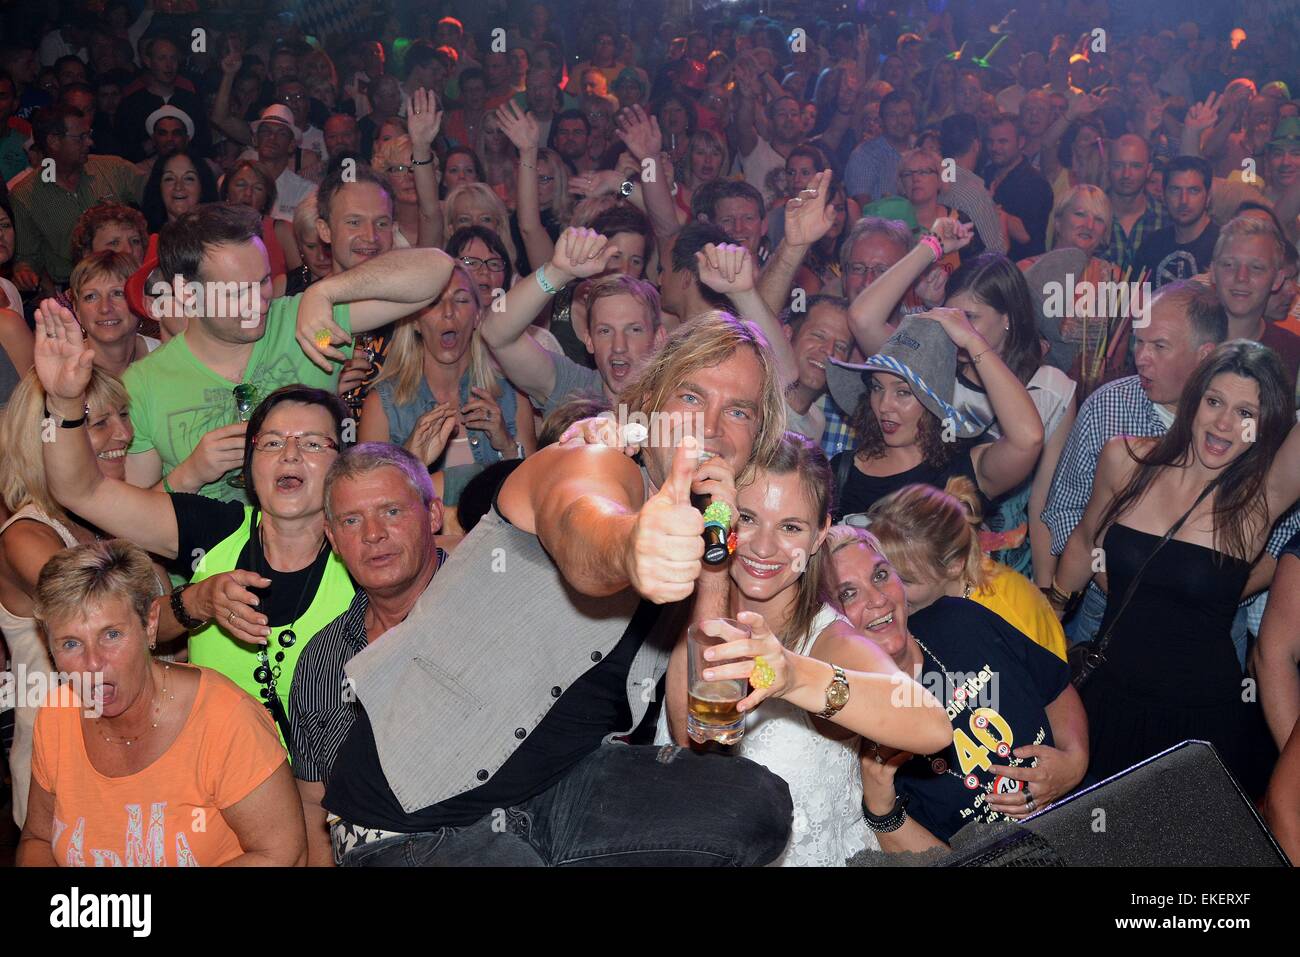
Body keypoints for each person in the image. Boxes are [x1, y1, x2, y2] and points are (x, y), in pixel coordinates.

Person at [320, 312, 799, 866]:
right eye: (692, 397)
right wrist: (631, 547)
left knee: (749, 804)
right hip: (407, 822)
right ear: (650, 403)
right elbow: (582, 527)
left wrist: (713, 561)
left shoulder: (695, 538)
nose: (711, 426)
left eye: (737, 411)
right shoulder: (590, 461)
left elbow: (702, 735)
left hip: (546, 801)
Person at [34, 309, 360, 740]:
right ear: (250, 463)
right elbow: (82, 491)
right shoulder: (213, 528)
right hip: (215, 789)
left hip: (334, 793)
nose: (291, 455)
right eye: (273, 442)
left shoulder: (367, 550)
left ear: (342, 464)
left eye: (314, 443)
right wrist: (62, 405)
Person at [653, 431, 949, 866]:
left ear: (819, 536)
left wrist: (793, 675)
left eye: (791, 527)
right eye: (748, 518)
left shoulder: (833, 639)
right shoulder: (681, 604)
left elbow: (931, 727)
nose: (765, 547)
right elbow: (692, 747)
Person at [1049, 340, 1300, 798]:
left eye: (1247, 413)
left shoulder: (1259, 499)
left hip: (1198, 718)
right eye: (1215, 401)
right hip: (1107, 696)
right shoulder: (1125, 459)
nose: (1225, 422)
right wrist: (1051, 611)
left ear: (1265, 427)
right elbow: (1085, 541)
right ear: (1194, 400)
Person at [122, 203, 451, 501]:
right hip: (209, 564)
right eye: (238, 291)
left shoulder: (303, 320)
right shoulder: (143, 384)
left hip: (320, 554)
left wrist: (324, 292)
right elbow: (132, 523)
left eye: (263, 281)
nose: (259, 302)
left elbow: (436, 269)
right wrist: (188, 475)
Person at [17, 539, 306, 867]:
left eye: (111, 634)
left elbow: (284, 854)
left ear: (150, 623)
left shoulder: (224, 719)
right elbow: (38, 838)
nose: (93, 663)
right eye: (71, 643)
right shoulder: (59, 715)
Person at [828, 524, 1085, 848]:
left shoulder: (959, 619)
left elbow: (1056, 687)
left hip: (1082, 814)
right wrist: (883, 812)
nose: (877, 599)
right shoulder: (854, 724)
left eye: (880, 575)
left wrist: (1073, 761)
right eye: (848, 593)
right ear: (828, 624)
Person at [289, 443, 449, 865]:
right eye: (351, 520)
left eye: (392, 511)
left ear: (433, 515)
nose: (373, 534)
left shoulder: (488, 611)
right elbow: (313, 806)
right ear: (333, 539)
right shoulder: (321, 659)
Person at [0, 367, 143, 826]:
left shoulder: (111, 517)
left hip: (133, 749)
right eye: (99, 422)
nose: (125, 433)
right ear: (47, 439)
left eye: (123, 415)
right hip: (63, 769)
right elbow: (93, 613)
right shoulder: (25, 535)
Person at [827, 226, 1045, 523]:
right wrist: (932, 245)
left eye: (903, 392)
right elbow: (862, 317)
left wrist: (971, 341)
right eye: (877, 388)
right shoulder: (841, 469)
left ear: (936, 400)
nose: (884, 405)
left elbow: (1029, 439)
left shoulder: (961, 472)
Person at [356, 262, 532, 481]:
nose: (449, 312)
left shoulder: (512, 398)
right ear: (414, 322)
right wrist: (409, 459)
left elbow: (533, 497)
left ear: (477, 316)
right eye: (434, 302)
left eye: (461, 300)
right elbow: (369, 498)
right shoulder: (382, 405)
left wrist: (507, 447)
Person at [865, 479, 1067, 660]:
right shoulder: (943, 596)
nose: (883, 593)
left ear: (953, 566)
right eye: (880, 574)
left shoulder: (1003, 620)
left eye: (905, 580)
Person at [9, 105, 144, 294]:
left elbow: (155, 196)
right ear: (54, 142)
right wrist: (24, 272)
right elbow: (27, 256)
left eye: (88, 134)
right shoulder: (25, 195)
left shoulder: (114, 169)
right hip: (72, 289)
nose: (89, 142)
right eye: (80, 137)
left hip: (129, 279)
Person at [1209, 215, 1300, 394]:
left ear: (1277, 280)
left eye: (1256, 267)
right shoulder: (1182, 338)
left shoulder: (1292, 351)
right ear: (1212, 272)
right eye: (1229, 264)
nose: (1241, 277)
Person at [1132, 155, 1219, 287]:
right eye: (1175, 190)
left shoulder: (1223, 246)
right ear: (1164, 196)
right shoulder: (1151, 245)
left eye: (1193, 191)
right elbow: (1133, 302)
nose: (1184, 200)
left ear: (1208, 197)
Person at [68, 251, 156, 377]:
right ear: (76, 310)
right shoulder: (63, 370)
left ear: (139, 302)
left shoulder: (169, 357)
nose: (105, 308)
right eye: (91, 296)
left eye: (118, 294)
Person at [983, 112, 1054, 260]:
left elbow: (1025, 235)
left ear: (1021, 142)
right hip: (987, 267)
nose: (995, 148)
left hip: (1019, 273)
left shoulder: (1035, 183)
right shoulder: (986, 174)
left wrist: (990, 207)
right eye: (990, 141)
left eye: (1002, 142)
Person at [1100, 134, 1168, 274]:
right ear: (1108, 167)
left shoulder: (1166, 219)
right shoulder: (1091, 216)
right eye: (1118, 165)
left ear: (1149, 170)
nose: (1126, 174)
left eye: (1136, 166)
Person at [845, 92, 916, 207]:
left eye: (905, 114)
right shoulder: (864, 155)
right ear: (881, 121)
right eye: (892, 115)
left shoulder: (922, 148)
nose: (900, 121)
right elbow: (862, 207)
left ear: (913, 118)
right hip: (881, 224)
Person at [140, 149, 219, 233]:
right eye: (169, 179)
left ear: (203, 187)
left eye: (188, 178)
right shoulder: (146, 241)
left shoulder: (219, 241)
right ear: (158, 187)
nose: (178, 187)